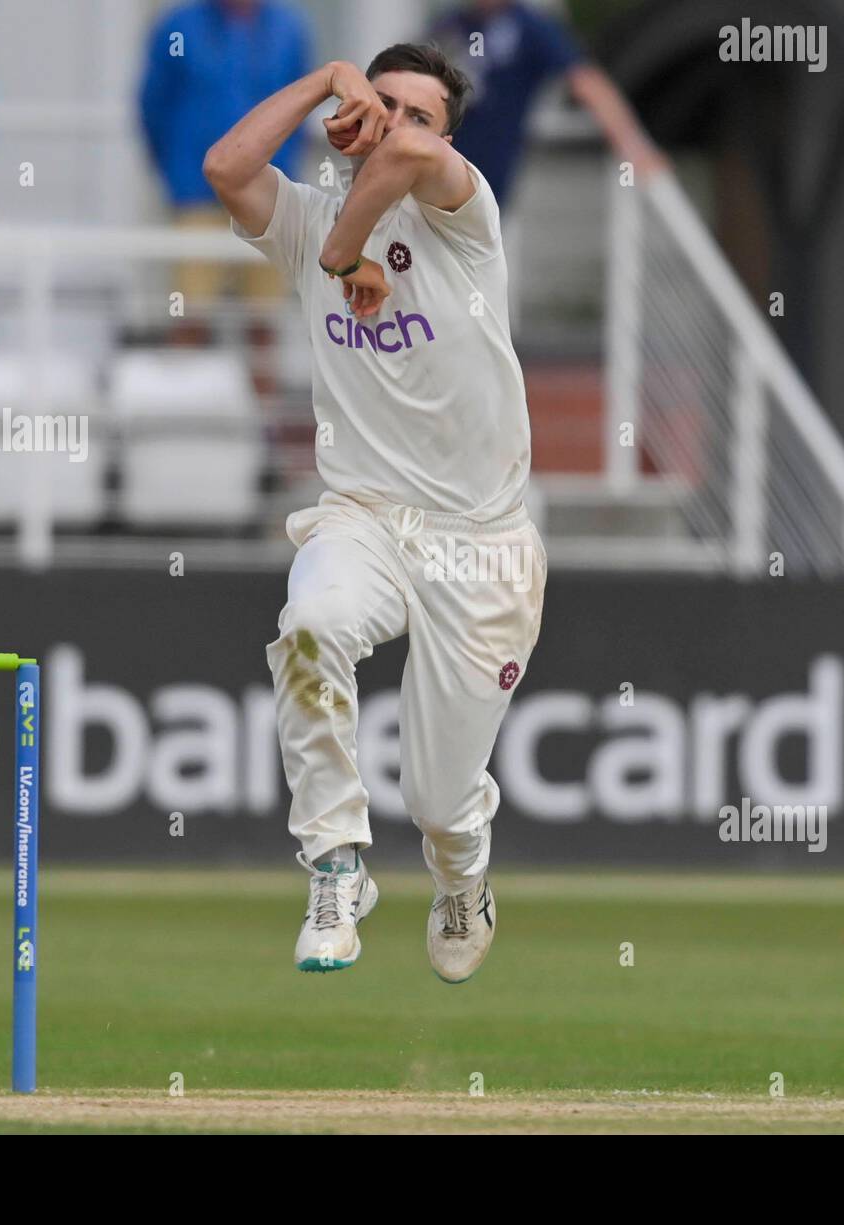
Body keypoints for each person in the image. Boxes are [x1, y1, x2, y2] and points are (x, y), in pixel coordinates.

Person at [205, 44, 546, 983]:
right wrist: (325, 78)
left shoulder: (464, 214)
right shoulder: (314, 212)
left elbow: (400, 164)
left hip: (482, 543)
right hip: (363, 514)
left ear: (448, 137)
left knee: (439, 799)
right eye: (381, 103)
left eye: (419, 113)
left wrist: (344, 252)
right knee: (310, 625)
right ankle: (335, 863)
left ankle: (461, 875)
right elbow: (227, 169)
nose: (396, 125)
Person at [139, 0, 311, 343]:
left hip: (268, 191)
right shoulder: (178, 26)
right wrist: (176, 169)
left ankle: (263, 398)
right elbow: (153, 104)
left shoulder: (289, 29)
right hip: (196, 190)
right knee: (191, 308)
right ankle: (188, 394)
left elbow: (300, 106)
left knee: (263, 315)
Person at [427, 0, 667, 208]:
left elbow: (587, 83)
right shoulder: (449, 25)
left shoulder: (531, 28)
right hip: (428, 172)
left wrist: (635, 148)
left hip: (482, 186)